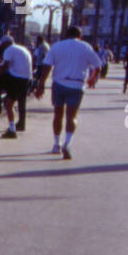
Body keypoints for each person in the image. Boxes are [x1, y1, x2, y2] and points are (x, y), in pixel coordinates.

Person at [35, 27, 104, 160]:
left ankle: (56, 144)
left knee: (58, 114)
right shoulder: (85, 47)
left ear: (66, 34)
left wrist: (41, 84)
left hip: (59, 83)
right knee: (72, 117)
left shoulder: (57, 46)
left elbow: (47, 66)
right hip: (77, 85)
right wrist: (92, 78)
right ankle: (67, 143)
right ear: (80, 36)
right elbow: (98, 66)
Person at [0, 35, 32, 139]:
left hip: (17, 79)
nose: (2, 47)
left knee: (8, 104)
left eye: (2, 45)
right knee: (13, 102)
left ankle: (12, 130)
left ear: (6, 44)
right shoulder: (22, 48)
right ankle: (19, 124)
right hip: (27, 79)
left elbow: (4, 66)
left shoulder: (9, 50)